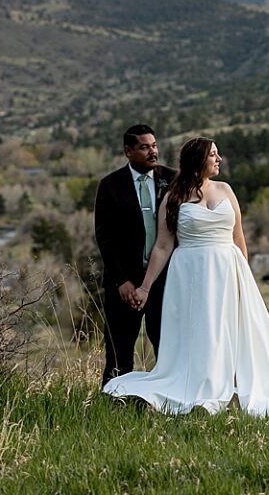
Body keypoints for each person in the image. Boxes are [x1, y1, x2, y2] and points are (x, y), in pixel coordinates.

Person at [103, 137, 269, 416]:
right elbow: (163, 246)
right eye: (213, 154)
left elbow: (239, 239)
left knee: (230, 330)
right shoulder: (174, 196)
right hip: (190, 274)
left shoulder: (226, 190)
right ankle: (199, 386)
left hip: (228, 271)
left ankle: (234, 384)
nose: (219, 158)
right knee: (202, 331)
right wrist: (145, 287)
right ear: (199, 159)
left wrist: (245, 281)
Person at [94, 123, 177, 385]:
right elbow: (105, 238)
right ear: (128, 151)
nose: (153, 152)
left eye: (154, 146)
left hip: (164, 282)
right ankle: (115, 403)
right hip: (124, 284)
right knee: (119, 353)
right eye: (144, 147)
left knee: (167, 348)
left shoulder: (173, 179)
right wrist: (122, 281)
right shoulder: (110, 185)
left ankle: (166, 400)